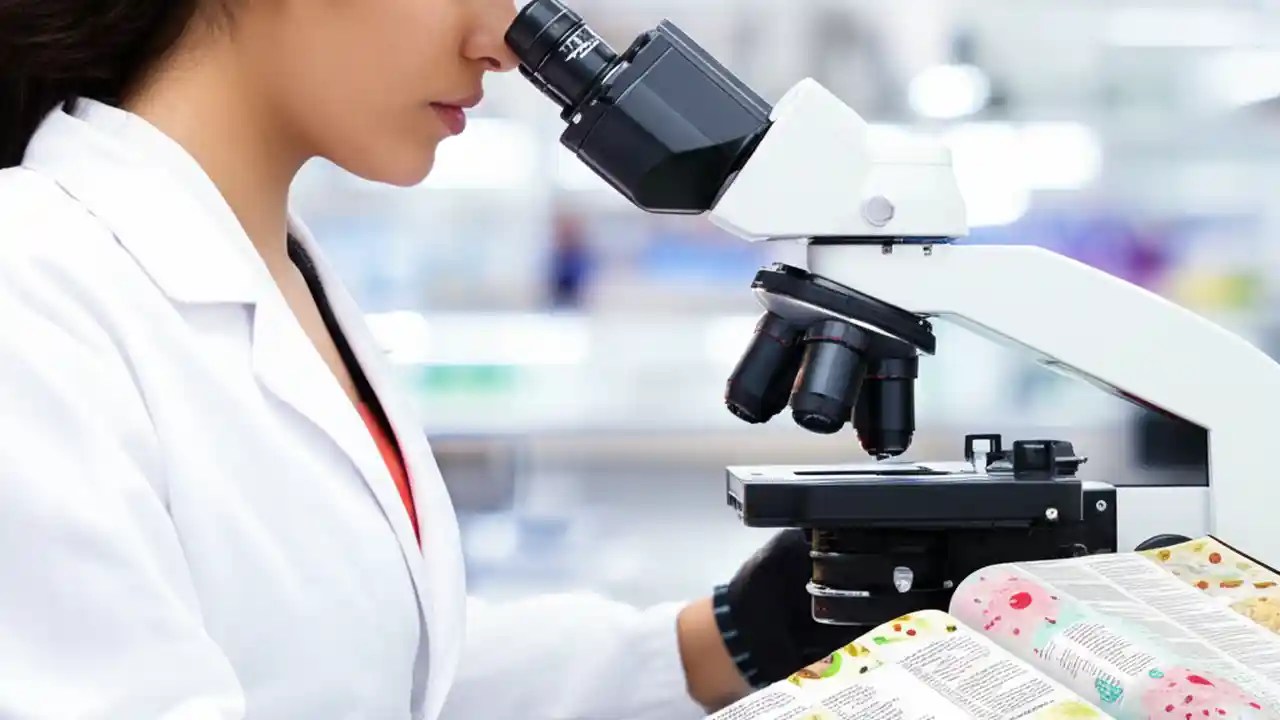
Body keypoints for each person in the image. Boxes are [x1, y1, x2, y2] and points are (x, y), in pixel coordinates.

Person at [0, 1, 859, 718]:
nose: (500, 43)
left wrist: (738, 635)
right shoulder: (33, 294)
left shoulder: (280, 272)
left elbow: (378, 670)